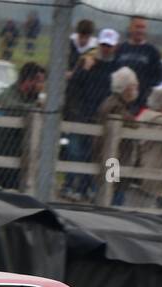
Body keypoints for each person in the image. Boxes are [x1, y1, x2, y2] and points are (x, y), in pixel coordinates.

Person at [63, 28, 118, 200]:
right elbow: (73, 85)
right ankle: (71, 186)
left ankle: (107, 191)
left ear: (115, 47)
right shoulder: (88, 62)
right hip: (84, 114)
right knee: (76, 152)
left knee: (107, 157)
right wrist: (84, 69)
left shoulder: (117, 68)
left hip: (108, 119)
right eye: (103, 45)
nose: (106, 48)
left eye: (109, 46)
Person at [0, 61, 45, 188]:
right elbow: (10, 107)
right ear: (28, 80)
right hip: (1, 150)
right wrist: (34, 108)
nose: (41, 86)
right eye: (39, 81)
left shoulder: (32, 98)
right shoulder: (9, 93)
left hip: (21, 153)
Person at [93, 66, 140, 206]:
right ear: (126, 88)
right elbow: (133, 124)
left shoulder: (115, 103)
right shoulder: (115, 106)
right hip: (113, 158)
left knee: (111, 191)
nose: (136, 89)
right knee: (112, 195)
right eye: (134, 86)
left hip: (113, 157)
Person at [113, 16, 162, 107]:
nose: (140, 30)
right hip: (119, 100)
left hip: (142, 101)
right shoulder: (120, 49)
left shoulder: (152, 51)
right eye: (137, 27)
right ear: (130, 28)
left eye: (143, 27)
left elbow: (159, 77)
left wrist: (145, 90)